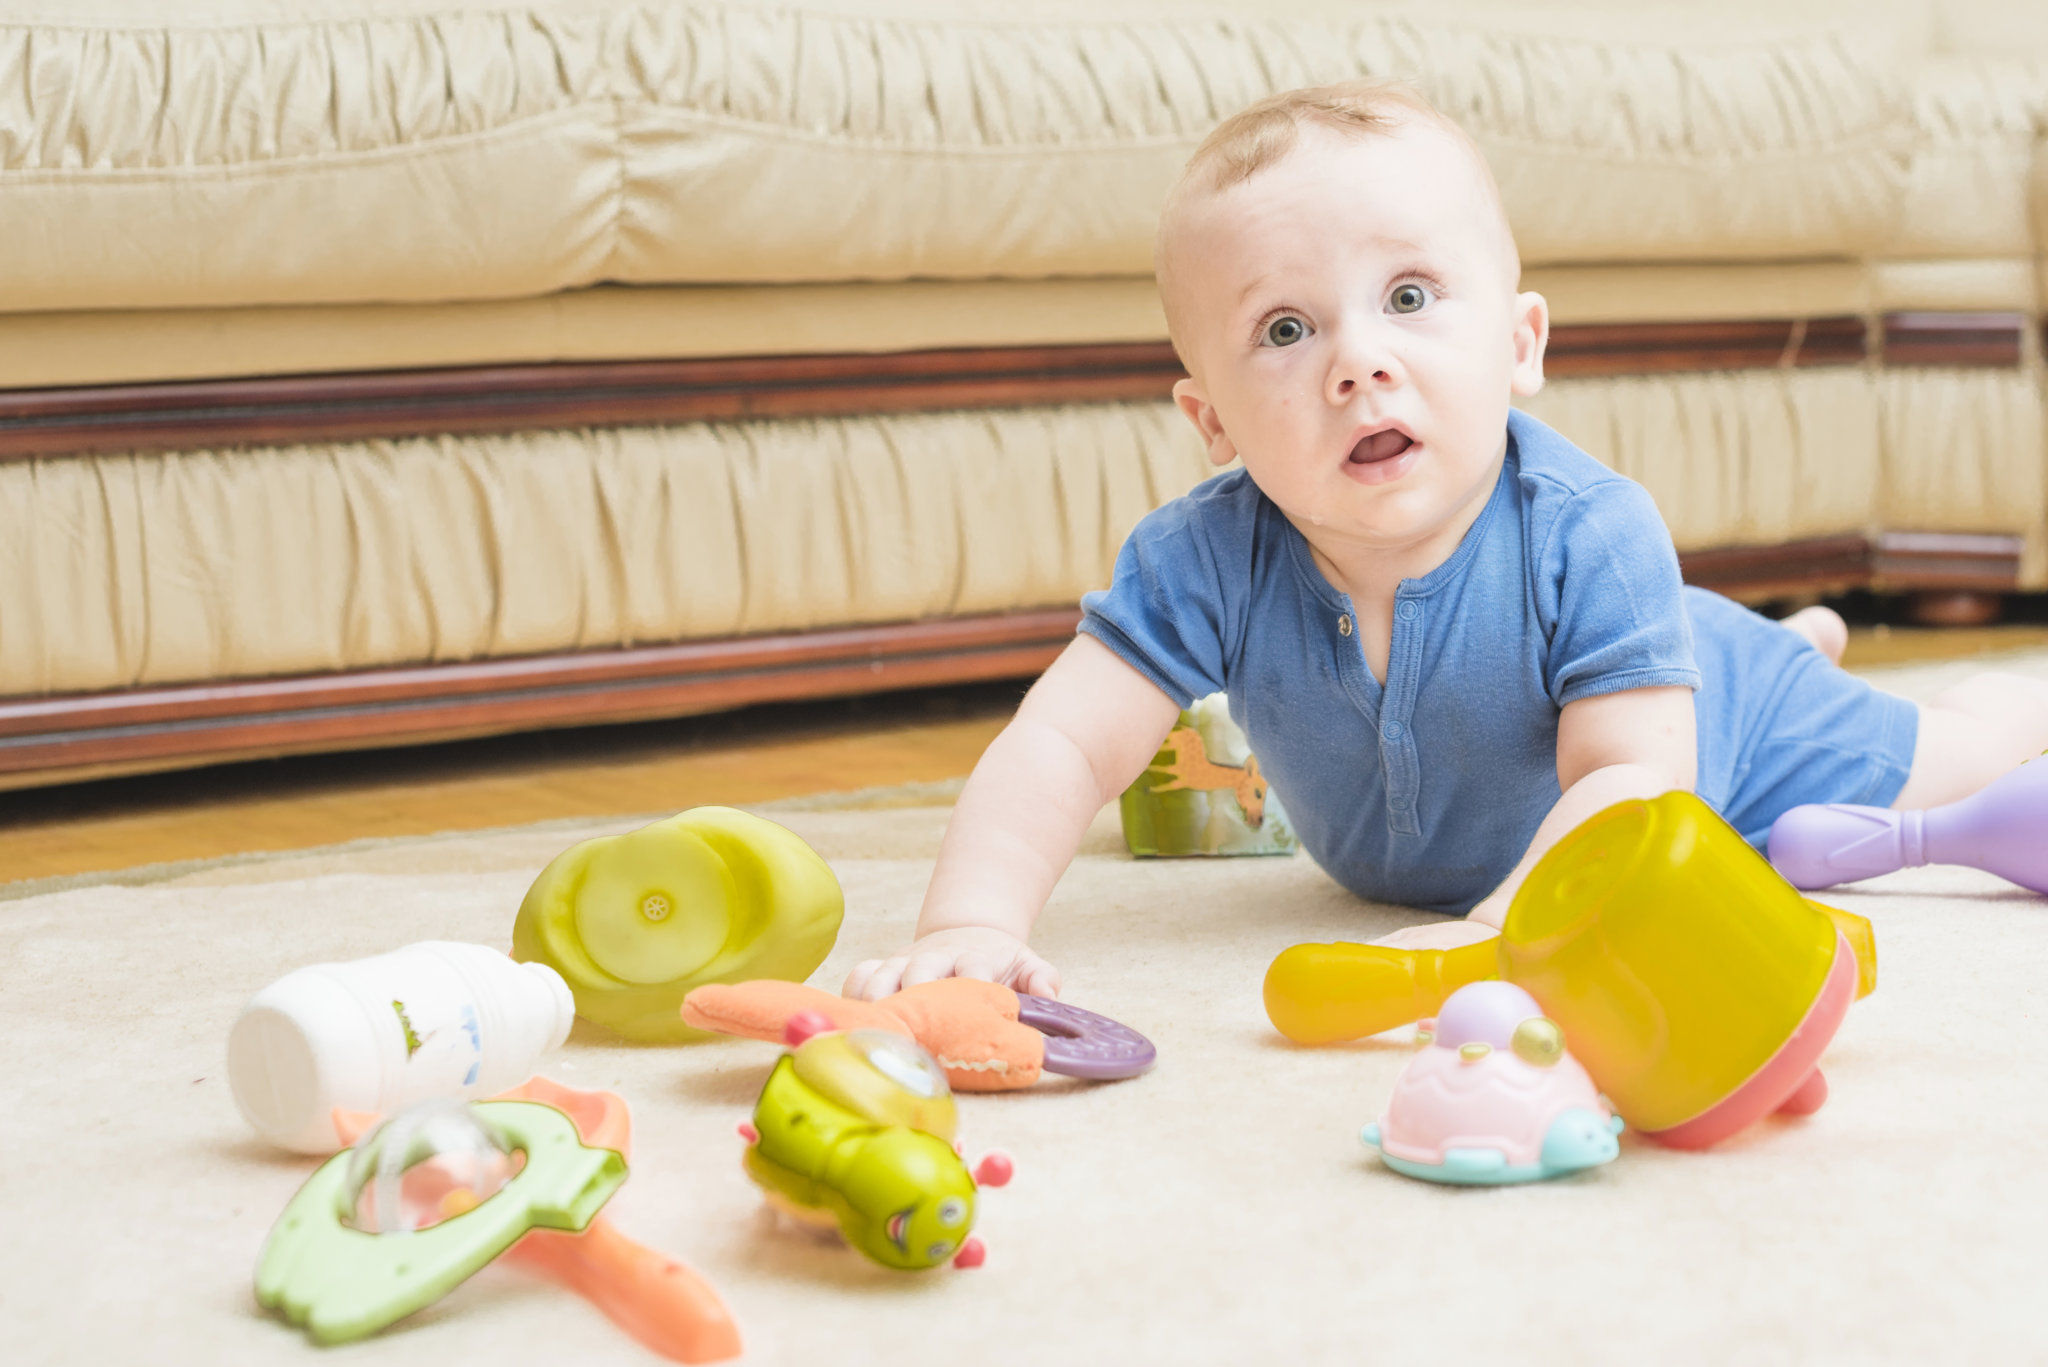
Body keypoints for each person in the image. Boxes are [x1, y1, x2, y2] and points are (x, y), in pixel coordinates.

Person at [845, 80, 2048, 1002]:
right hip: (1557, 758)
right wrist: (967, 923)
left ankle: (1955, 689)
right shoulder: (1199, 557)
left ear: (1519, 344)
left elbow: (1632, 782)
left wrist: (1496, 932)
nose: (1358, 359)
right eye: (1281, 327)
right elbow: (1059, 742)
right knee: (1668, 662)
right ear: (1210, 420)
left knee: (1950, 754)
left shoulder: (1588, 527)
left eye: (1409, 297)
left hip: (1726, 743)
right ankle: (1785, 638)